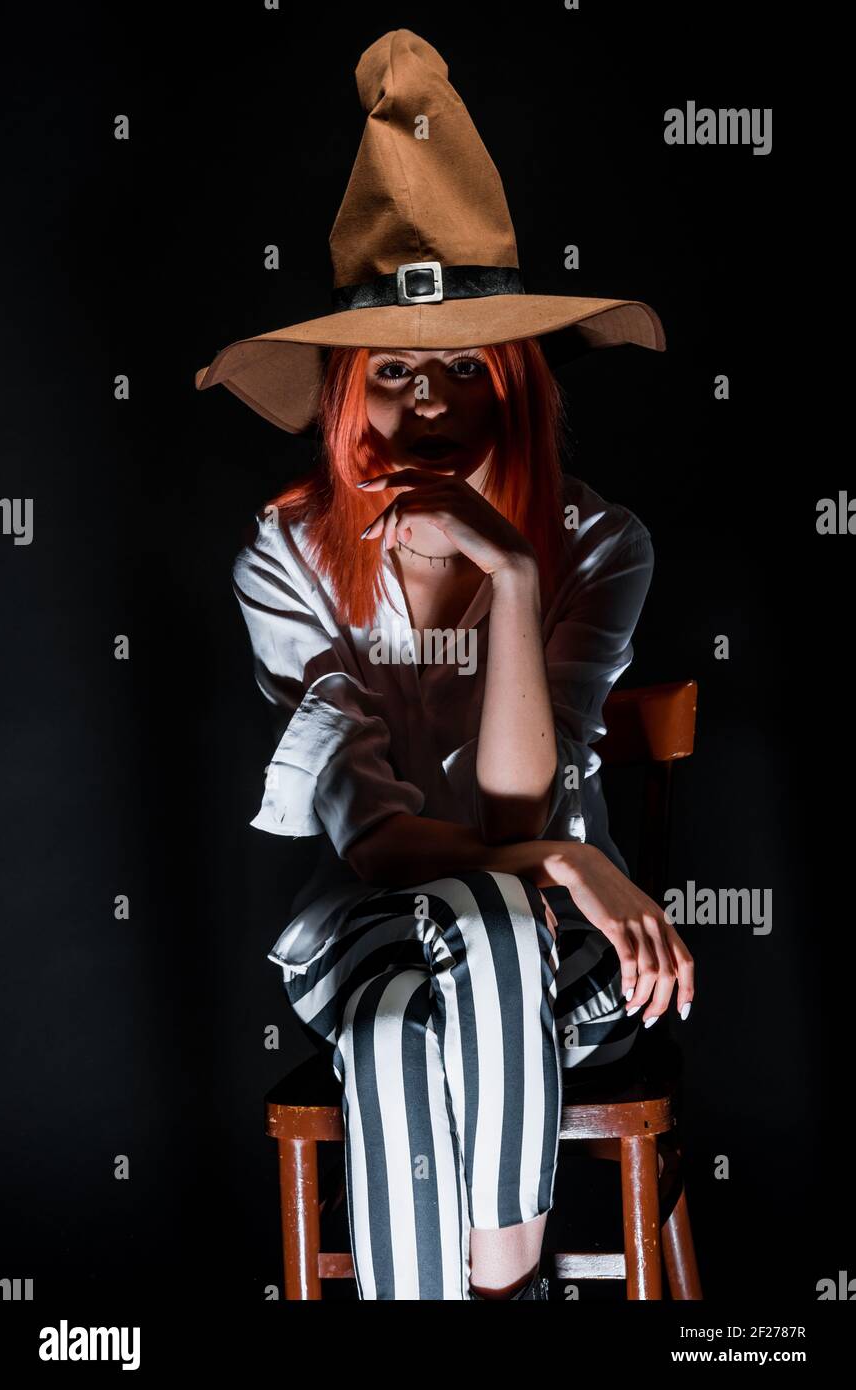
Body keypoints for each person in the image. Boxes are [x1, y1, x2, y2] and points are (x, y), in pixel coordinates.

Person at [197, 28, 695, 1299]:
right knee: (418, 968)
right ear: (345, 392)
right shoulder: (290, 555)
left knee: (409, 1010)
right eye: (392, 375)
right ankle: (511, 1290)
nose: (426, 408)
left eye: (461, 371)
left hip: (570, 954)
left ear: (513, 383)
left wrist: (514, 578)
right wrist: (571, 857)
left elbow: (521, 803)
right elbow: (375, 844)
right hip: (380, 921)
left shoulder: (596, 543)